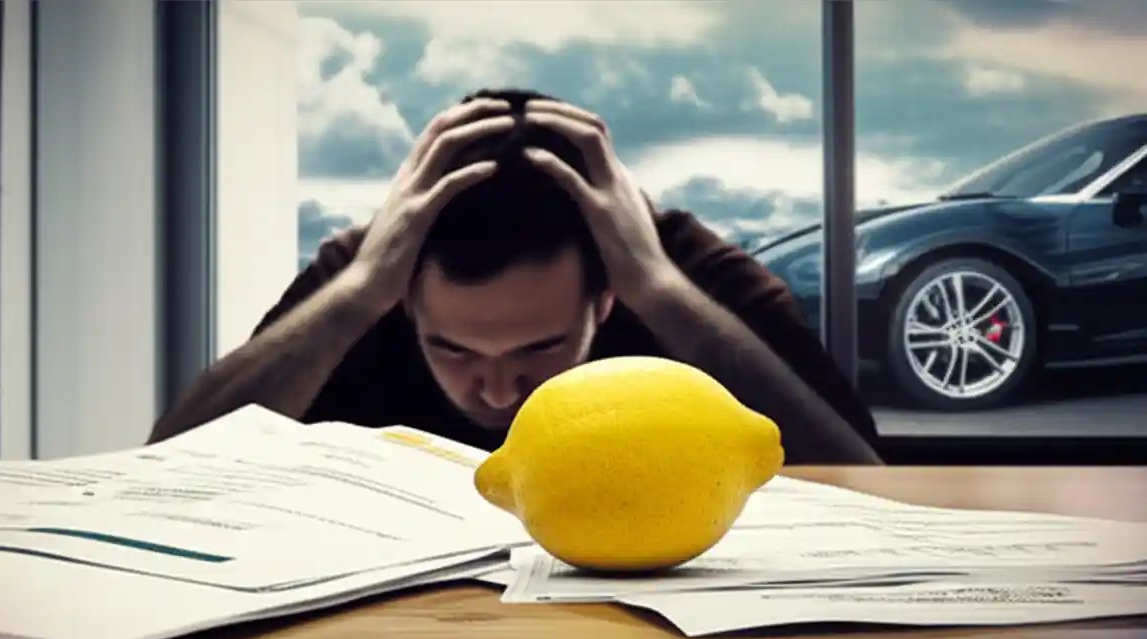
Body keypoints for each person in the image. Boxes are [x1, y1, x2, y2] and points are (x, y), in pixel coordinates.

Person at [149, 88, 883, 465]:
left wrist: (659, 290)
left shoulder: (674, 269)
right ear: (406, 294)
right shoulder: (371, 274)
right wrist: (356, 294)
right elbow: (169, 466)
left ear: (605, 295)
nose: (497, 394)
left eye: (539, 348)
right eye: (453, 350)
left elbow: (862, 475)